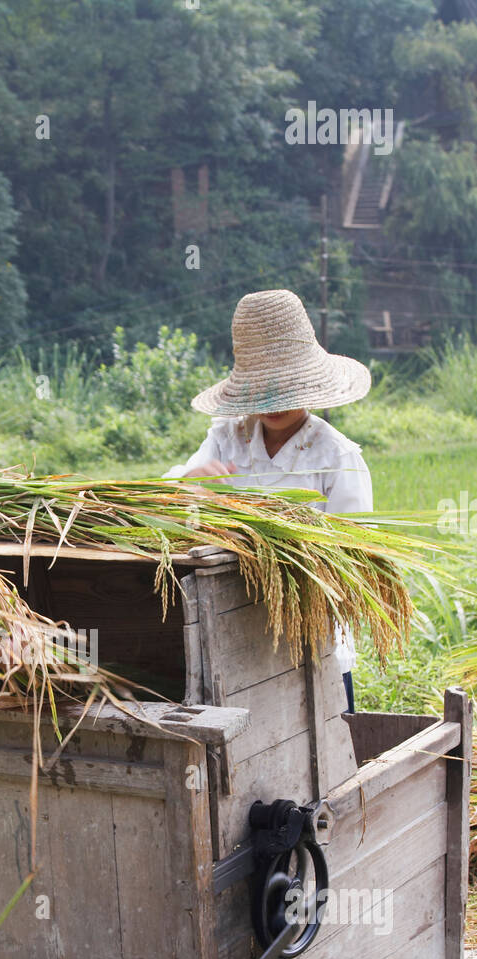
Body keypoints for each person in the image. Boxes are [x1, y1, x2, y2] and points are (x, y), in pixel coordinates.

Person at [163, 289, 373, 711]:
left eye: (286, 387)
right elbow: (167, 492)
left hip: (313, 637)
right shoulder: (225, 439)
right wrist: (189, 481)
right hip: (233, 635)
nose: (274, 401)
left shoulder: (337, 456)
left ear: (310, 385)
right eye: (263, 388)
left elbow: (356, 553)